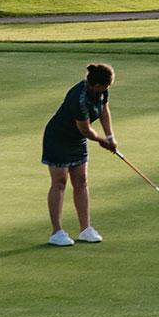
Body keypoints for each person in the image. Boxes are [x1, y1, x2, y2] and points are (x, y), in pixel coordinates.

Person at [42, 62, 118, 246]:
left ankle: (85, 229)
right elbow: (86, 130)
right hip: (58, 138)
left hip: (77, 140)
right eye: (105, 87)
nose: (106, 90)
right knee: (60, 182)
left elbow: (104, 112)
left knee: (81, 181)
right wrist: (103, 141)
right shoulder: (79, 98)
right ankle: (57, 232)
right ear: (95, 84)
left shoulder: (101, 91)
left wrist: (110, 136)